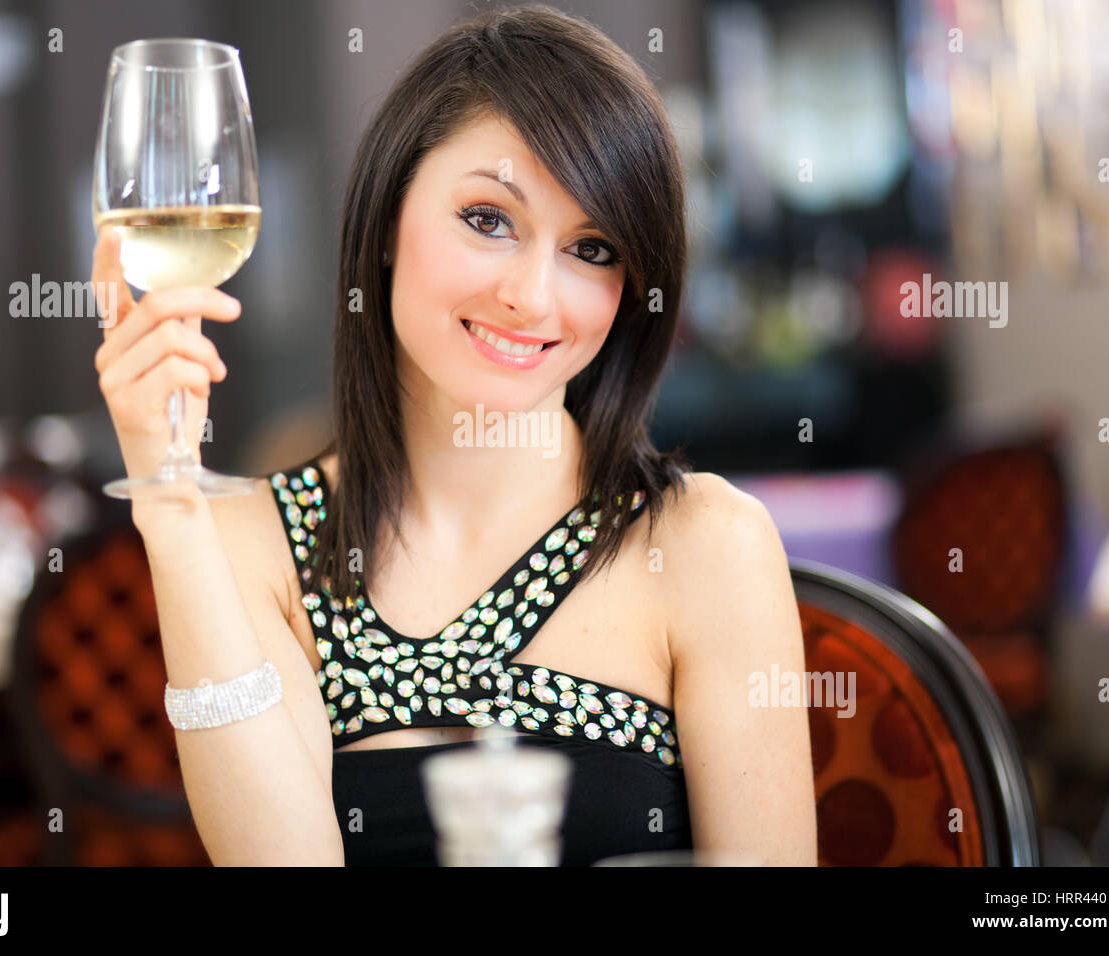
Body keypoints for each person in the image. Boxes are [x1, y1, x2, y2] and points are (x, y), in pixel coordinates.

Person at [91, 3, 817, 866]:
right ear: (388, 220)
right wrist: (171, 505)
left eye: (592, 249)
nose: (533, 298)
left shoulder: (705, 544)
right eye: (488, 219)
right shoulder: (252, 546)